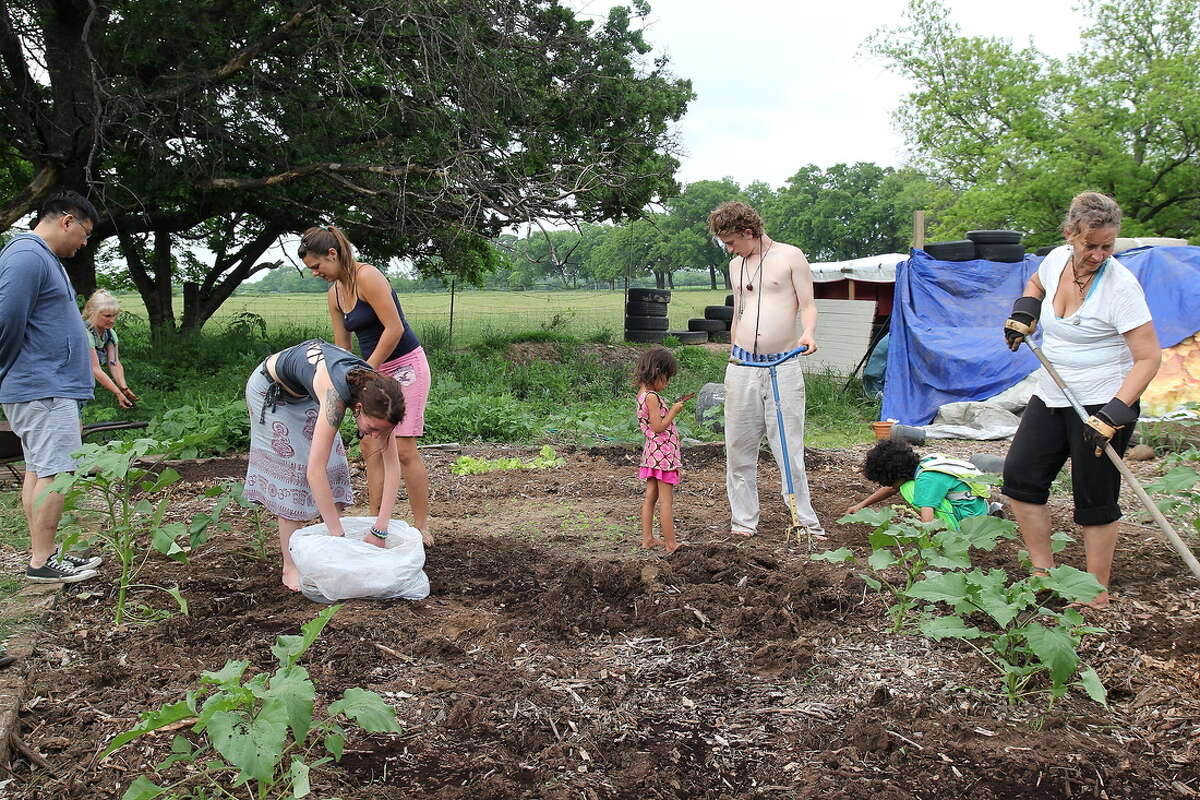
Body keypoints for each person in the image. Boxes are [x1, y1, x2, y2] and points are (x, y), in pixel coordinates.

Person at [1001, 191, 1160, 609]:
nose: (1099, 254)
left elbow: (1148, 358)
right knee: (1020, 479)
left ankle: (1096, 593)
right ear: (1070, 234)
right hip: (1053, 392)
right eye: (1091, 245)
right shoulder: (1055, 261)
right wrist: (1025, 309)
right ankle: (1042, 571)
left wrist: (1115, 413)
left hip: (1105, 402)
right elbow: (1036, 282)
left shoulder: (1121, 287)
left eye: (1108, 246)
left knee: (1094, 497)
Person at [299, 227, 433, 546]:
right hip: (371, 369)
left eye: (317, 266)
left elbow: (394, 328)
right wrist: (344, 384)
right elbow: (342, 349)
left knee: (402, 448)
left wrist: (366, 369)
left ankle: (421, 525)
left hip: (404, 366)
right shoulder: (335, 294)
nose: (316, 273)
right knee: (371, 445)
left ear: (333, 254)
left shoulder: (368, 277)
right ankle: (377, 523)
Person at [244, 338, 406, 591]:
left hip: (307, 390)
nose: (376, 435)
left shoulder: (384, 400)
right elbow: (313, 472)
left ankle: (328, 551)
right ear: (359, 409)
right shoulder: (335, 398)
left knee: (336, 468)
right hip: (272, 390)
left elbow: (393, 466)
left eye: (382, 430)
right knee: (294, 475)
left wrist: (380, 529)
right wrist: (341, 542)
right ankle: (291, 566)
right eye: (373, 429)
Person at [0, 190, 102, 583]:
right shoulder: (26, 255)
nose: (83, 242)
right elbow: (7, 318)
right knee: (57, 472)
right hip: (42, 386)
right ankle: (42, 562)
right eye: (85, 233)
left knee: (39, 471)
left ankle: (45, 555)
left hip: (46, 384)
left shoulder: (41, 257)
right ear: (67, 221)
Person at [708, 201, 823, 538]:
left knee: (788, 448)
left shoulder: (790, 256)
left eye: (731, 241)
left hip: (782, 365)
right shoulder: (735, 266)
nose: (729, 249)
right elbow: (739, 312)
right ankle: (743, 523)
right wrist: (732, 350)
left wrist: (808, 332)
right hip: (742, 364)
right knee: (738, 448)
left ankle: (805, 524)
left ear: (748, 232)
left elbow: (808, 304)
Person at [845, 439, 999, 530]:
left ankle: (953, 531)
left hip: (969, 524)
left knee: (909, 488)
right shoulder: (928, 463)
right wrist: (861, 505)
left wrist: (926, 542)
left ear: (892, 475)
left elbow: (927, 518)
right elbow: (892, 488)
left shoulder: (926, 480)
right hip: (977, 507)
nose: (889, 485)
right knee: (908, 485)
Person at [634, 347, 694, 554]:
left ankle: (648, 538)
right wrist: (674, 411)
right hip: (663, 455)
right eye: (666, 378)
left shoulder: (641, 394)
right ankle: (671, 543)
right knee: (666, 500)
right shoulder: (652, 397)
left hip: (652, 453)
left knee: (651, 496)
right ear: (656, 372)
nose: (667, 383)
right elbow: (658, 427)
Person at [82, 289, 137, 409]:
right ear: (92, 313)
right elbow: (95, 369)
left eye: (114, 315)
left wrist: (124, 387)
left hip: (82, 383)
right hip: (63, 382)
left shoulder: (109, 333)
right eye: (107, 316)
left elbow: (114, 363)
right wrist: (117, 393)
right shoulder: (84, 334)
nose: (112, 320)